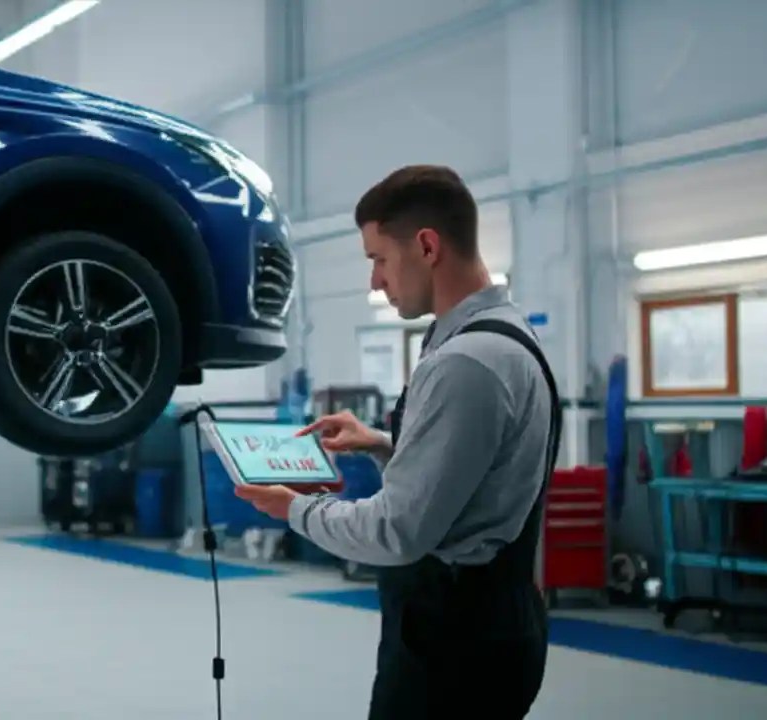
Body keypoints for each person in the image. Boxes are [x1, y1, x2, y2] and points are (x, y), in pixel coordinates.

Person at [235, 165, 562, 719]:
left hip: (452, 649)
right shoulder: (507, 336)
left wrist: (295, 508)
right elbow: (479, 472)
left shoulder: (465, 362)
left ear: (427, 246)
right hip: (499, 624)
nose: (375, 281)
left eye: (378, 259)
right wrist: (384, 445)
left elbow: (396, 532)